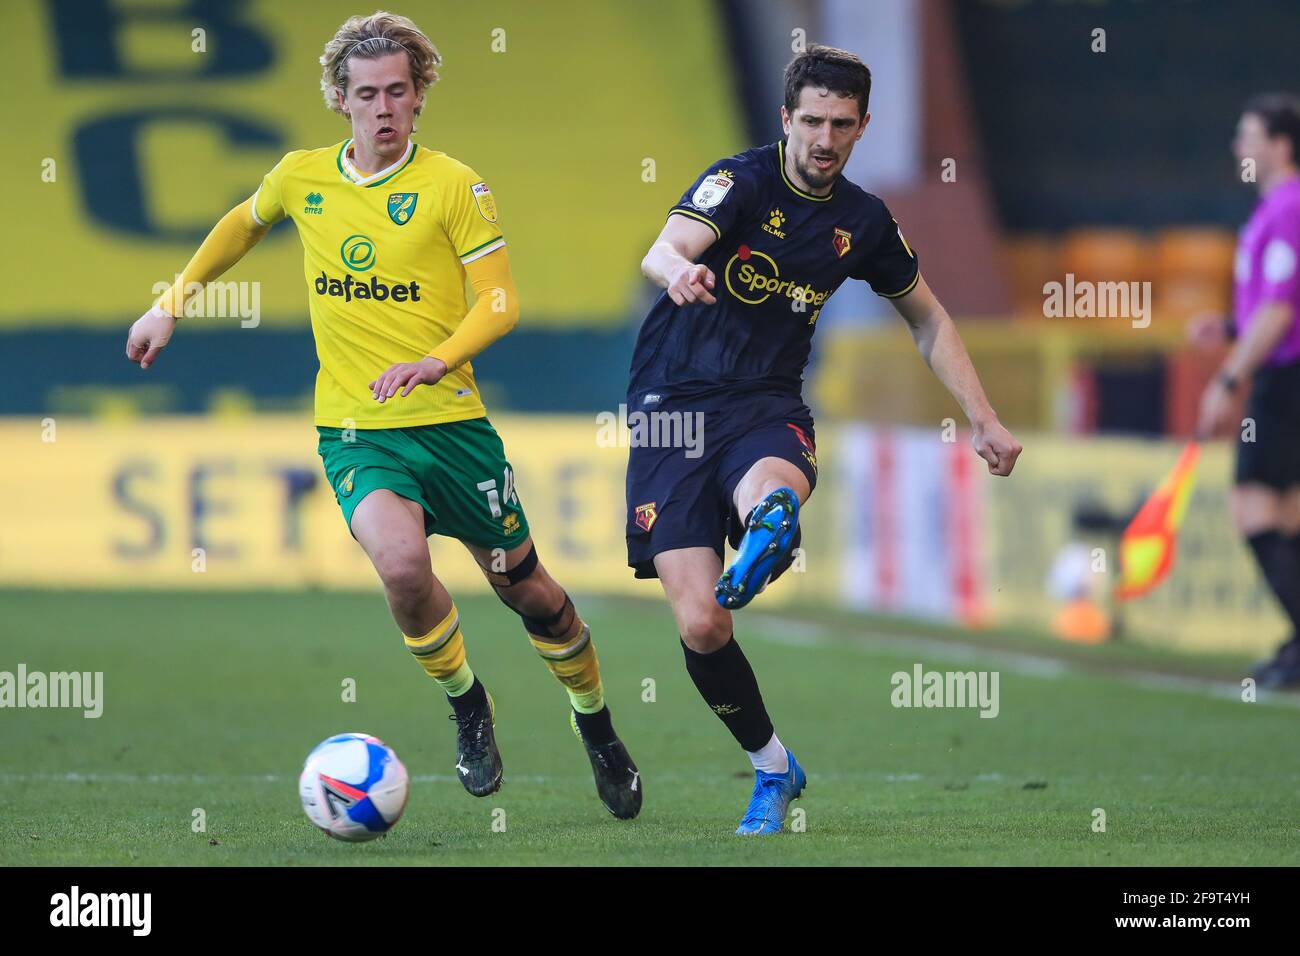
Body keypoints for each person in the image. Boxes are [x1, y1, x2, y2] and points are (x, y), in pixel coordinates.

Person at [123, 11, 641, 818]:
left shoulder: (454, 186)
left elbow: (500, 303)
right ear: (340, 98)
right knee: (402, 570)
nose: (384, 108)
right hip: (357, 428)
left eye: (399, 91)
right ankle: (469, 706)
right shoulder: (302, 176)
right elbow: (242, 222)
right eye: (367, 94)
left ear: (420, 94)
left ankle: (597, 725)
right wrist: (172, 304)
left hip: (454, 427)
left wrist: (436, 360)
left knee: (526, 588)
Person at [627, 45, 1021, 834]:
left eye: (842, 124)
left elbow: (929, 317)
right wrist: (677, 270)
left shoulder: (864, 221)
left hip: (766, 404)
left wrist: (983, 413)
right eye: (812, 120)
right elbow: (662, 245)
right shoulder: (739, 180)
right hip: (669, 410)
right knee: (702, 624)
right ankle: (774, 766)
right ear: (786, 119)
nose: (825, 139)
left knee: (770, 485)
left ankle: (771, 520)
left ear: (864, 126)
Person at [1192, 93, 1300, 689]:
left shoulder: (1289, 206)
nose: (1239, 147)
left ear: (1279, 145)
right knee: (1283, 510)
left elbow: (1282, 313)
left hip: (1285, 378)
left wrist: (1229, 376)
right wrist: (1232, 327)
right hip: (1284, 372)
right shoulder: (1274, 210)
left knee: (1254, 505)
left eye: (1247, 136)